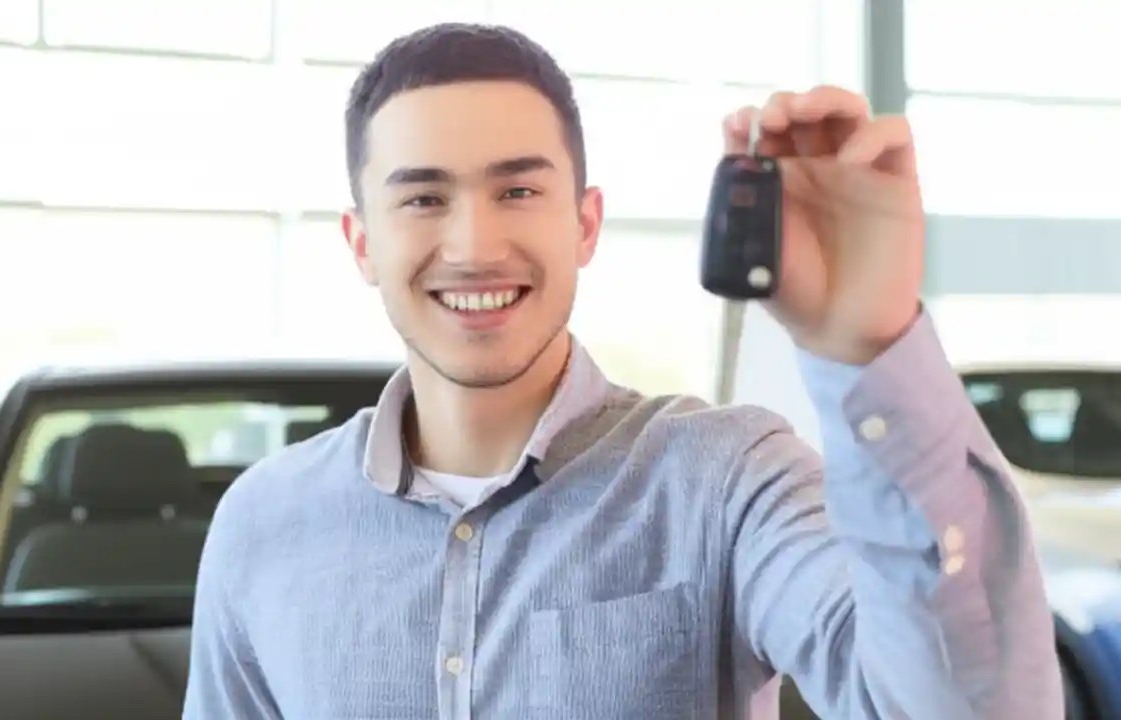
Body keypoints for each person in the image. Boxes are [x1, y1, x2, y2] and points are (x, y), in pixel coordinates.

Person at [183, 22, 1060, 719]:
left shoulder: (726, 481)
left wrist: (866, 345)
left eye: (519, 191)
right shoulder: (263, 525)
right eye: (423, 197)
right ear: (363, 242)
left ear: (586, 225)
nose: (475, 245)